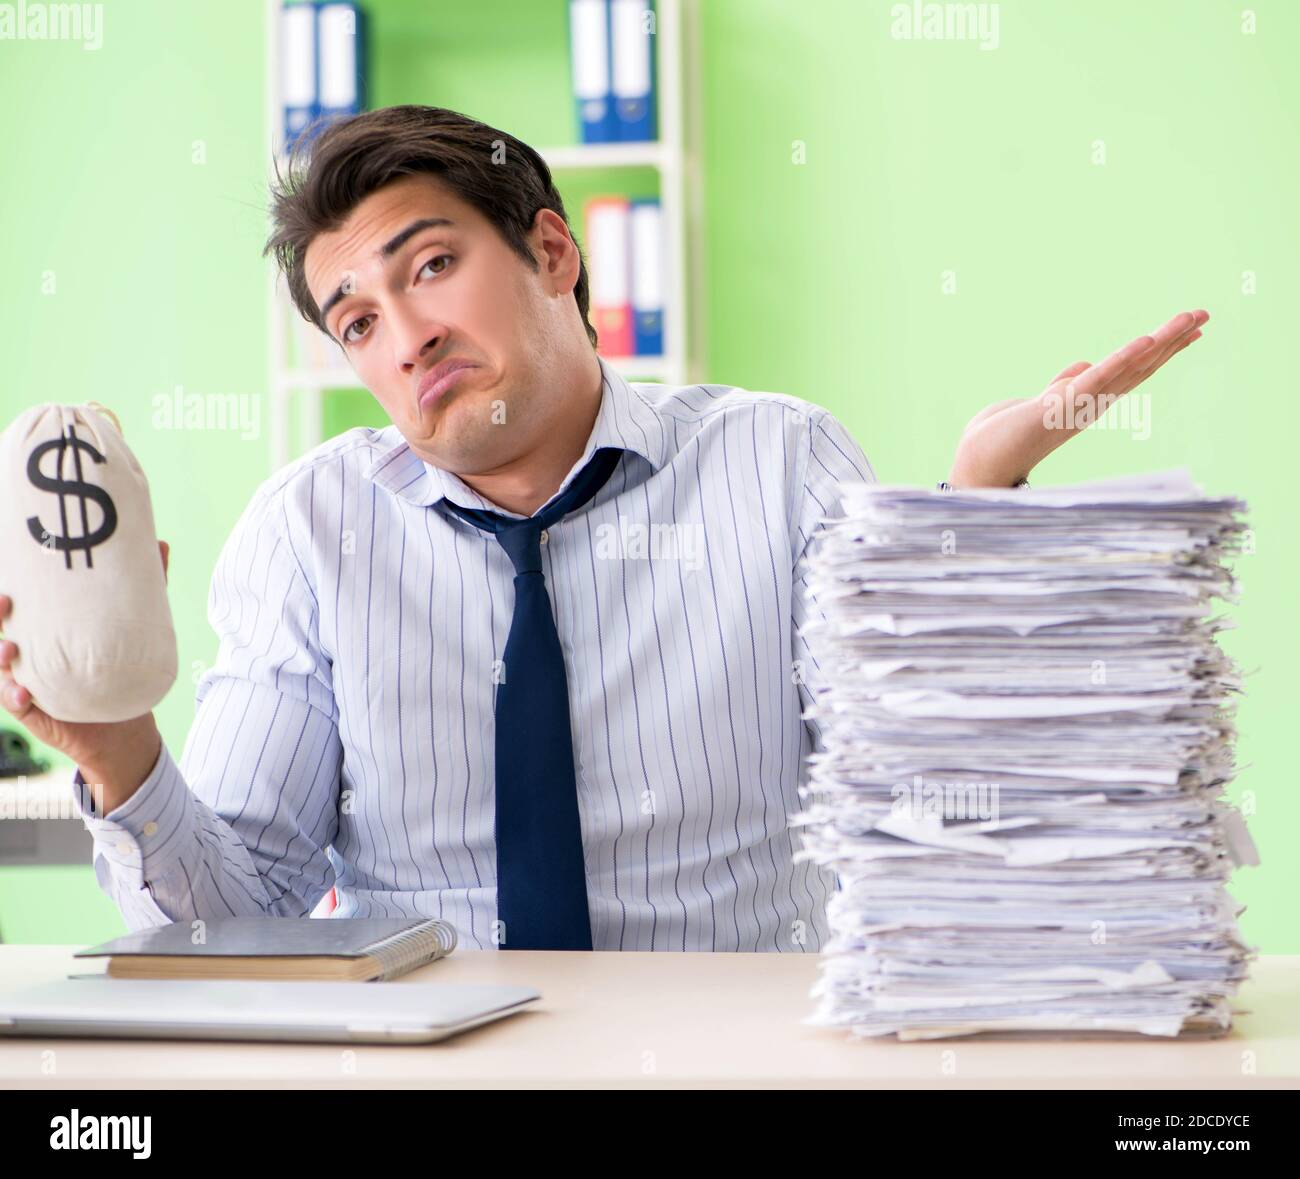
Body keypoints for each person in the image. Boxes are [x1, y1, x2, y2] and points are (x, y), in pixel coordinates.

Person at [0, 105, 1207, 951]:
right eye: (355, 321)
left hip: (743, 1055)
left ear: (551, 249)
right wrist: (118, 752)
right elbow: (240, 921)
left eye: (428, 267)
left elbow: (923, 793)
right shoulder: (309, 532)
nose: (405, 336)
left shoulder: (778, 459)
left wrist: (973, 512)